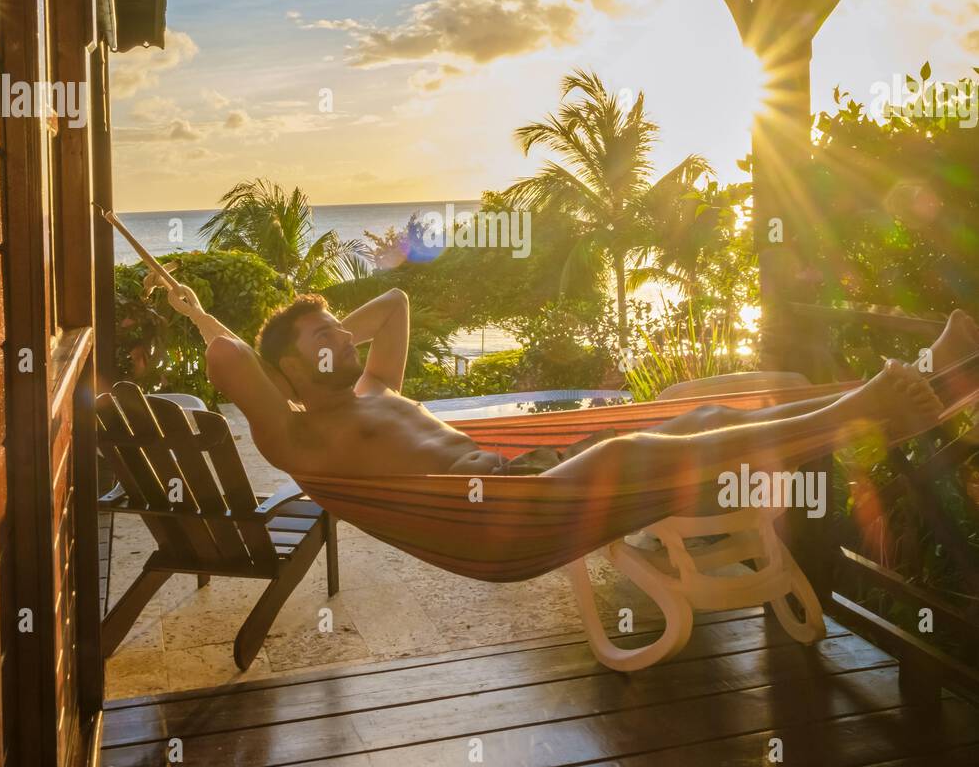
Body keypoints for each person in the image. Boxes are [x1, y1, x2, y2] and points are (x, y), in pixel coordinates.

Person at [166, 283, 977, 517]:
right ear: (287, 380)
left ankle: (916, 384)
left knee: (700, 416)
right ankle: (865, 408)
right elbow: (234, 360)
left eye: (339, 332)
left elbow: (401, 303)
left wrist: (327, 325)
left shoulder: (376, 387)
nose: (341, 342)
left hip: (531, 468)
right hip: (504, 508)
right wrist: (198, 312)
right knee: (638, 450)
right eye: (319, 345)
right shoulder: (301, 440)